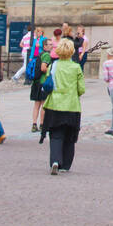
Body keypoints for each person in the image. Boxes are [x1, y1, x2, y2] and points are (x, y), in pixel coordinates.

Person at [42, 39, 86, 175]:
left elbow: (47, 83)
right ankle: (65, 165)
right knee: (69, 137)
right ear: (72, 51)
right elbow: (81, 89)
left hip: (55, 105)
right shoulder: (76, 67)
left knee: (56, 135)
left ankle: (55, 160)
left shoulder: (53, 66)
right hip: (72, 106)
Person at [28, 28, 50, 132]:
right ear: (44, 46)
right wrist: (49, 71)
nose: (51, 46)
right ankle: (42, 124)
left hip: (35, 82)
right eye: (49, 45)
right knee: (43, 104)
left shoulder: (39, 55)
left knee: (36, 105)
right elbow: (43, 68)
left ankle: (33, 124)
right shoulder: (46, 55)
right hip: (42, 82)